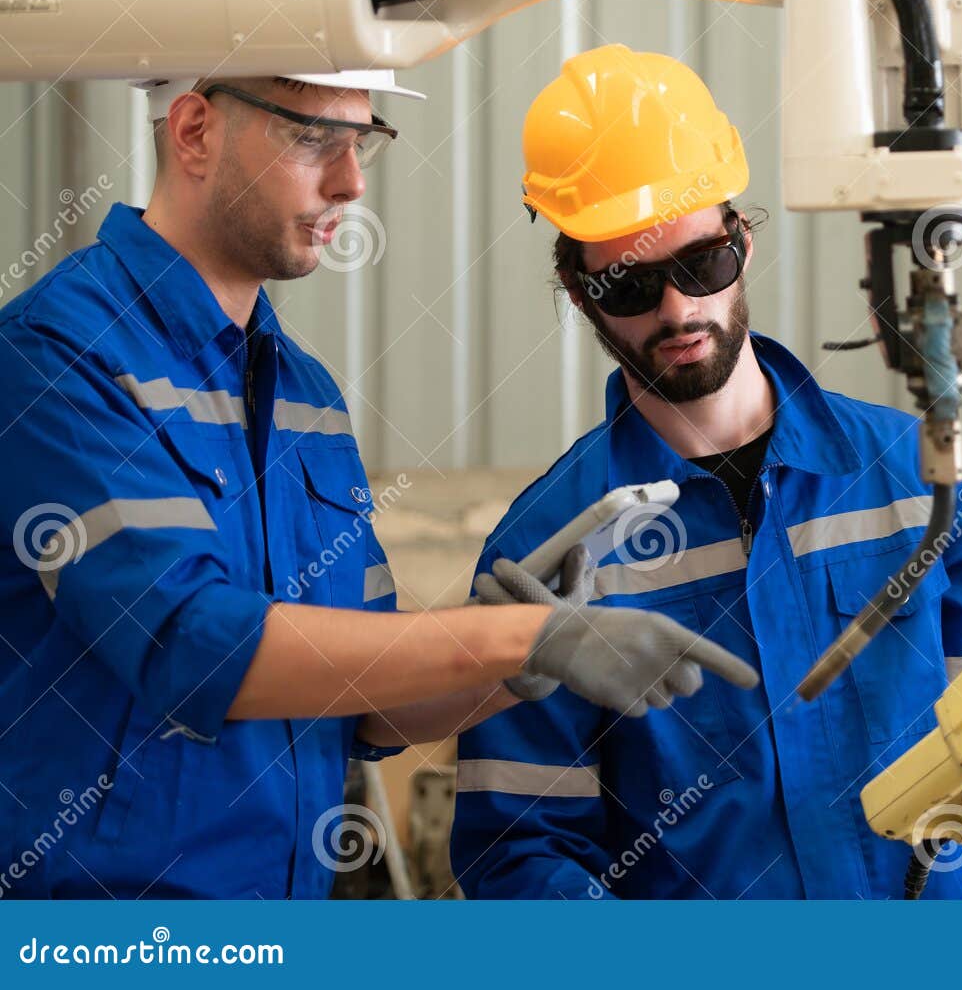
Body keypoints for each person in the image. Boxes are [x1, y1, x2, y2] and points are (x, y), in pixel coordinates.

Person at [0, 70, 753, 899]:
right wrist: (513, 639)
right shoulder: (61, 353)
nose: (352, 182)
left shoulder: (306, 397)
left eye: (362, 143)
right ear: (193, 132)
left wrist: (509, 665)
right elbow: (189, 641)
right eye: (314, 138)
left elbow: (368, 711)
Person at [451, 44, 962, 900]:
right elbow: (517, 852)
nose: (678, 310)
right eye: (631, 286)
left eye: (702, 265)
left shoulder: (906, 477)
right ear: (577, 290)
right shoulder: (548, 548)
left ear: (740, 239)